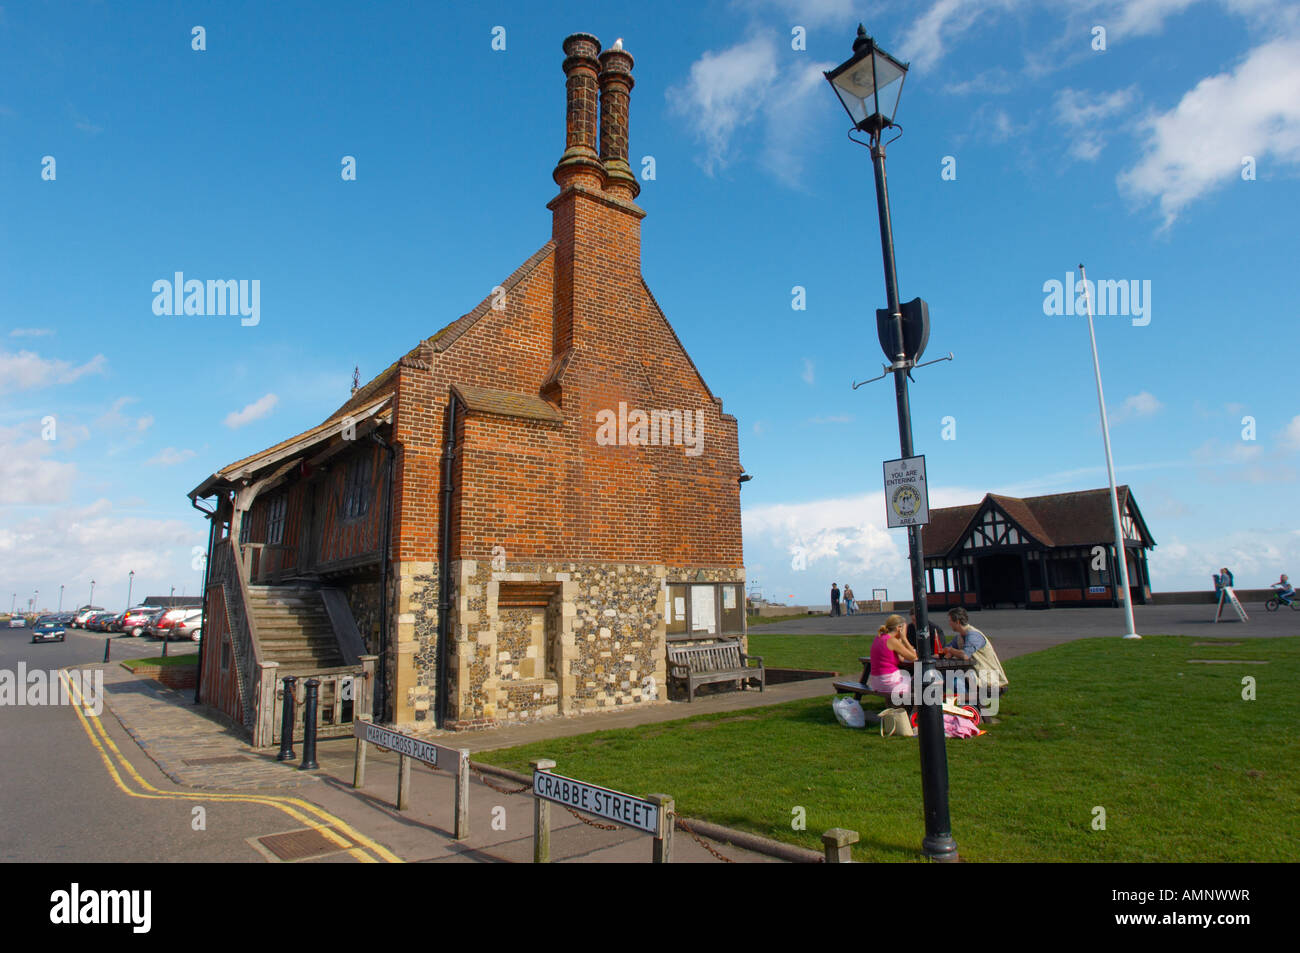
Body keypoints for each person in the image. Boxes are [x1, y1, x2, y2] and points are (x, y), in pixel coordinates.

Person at [944, 607, 1008, 696]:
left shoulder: (973, 635)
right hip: (975, 676)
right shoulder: (959, 637)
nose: (949, 624)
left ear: (957, 622)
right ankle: (965, 705)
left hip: (989, 679)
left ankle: (969, 706)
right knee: (949, 679)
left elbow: (965, 655)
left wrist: (951, 650)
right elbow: (945, 649)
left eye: (950, 621)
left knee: (955, 682)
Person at [867, 614, 917, 703]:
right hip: (888, 682)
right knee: (919, 683)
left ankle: (897, 708)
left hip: (876, 682)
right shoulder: (891, 640)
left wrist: (900, 641)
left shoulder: (880, 637)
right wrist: (904, 639)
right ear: (899, 628)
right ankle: (912, 712)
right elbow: (914, 657)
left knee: (908, 679)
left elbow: (901, 659)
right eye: (905, 629)